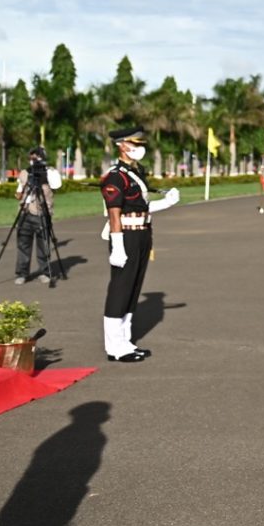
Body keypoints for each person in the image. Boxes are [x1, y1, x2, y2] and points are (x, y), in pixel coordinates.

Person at [99, 127, 179, 363]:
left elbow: (141, 208)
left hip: (142, 234)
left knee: (133, 289)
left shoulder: (136, 172)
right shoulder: (116, 176)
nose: (139, 148)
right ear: (122, 145)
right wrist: (118, 246)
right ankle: (114, 346)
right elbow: (114, 213)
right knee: (120, 289)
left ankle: (125, 341)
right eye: (134, 143)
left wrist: (166, 203)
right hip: (125, 236)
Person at [13, 145, 62, 285]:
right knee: (23, 245)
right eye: (32, 158)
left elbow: (57, 186)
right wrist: (22, 189)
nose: (33, 161)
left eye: (36, 157)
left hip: (42, 213)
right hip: (25, 213)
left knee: (43, 245)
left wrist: (44, 177)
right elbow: (18, 193)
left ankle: (44, 272)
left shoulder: (50, 173)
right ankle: (22, 273)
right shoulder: (25, 173)